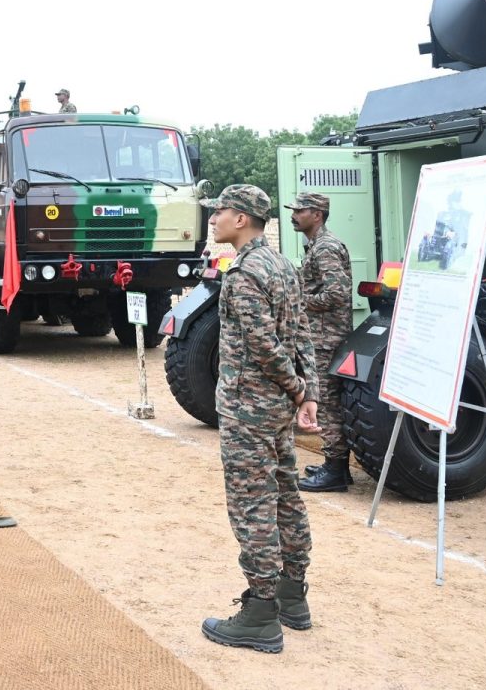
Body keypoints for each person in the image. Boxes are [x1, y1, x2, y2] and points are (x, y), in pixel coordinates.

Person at [198, 184, 319, 654]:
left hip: (250, 406)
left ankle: (261, 613)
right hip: (276, 409)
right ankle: (293, 594)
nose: (215, 219)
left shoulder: (245, 272)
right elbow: (302, 332)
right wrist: (305, 391)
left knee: (253, 504)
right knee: (286, 494)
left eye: (221, 212)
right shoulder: (283, 265)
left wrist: (294, 386)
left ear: (243, 218)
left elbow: (264, 345)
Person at [288, 193, 355, 494]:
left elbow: (337, 294)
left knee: (326, 403)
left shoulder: (325, 247)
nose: (294, 215)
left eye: (299, 211)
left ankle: (337, 470)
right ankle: (334, 465)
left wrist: (299, 301)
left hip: (327, 336)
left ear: (317, 215)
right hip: (320, 334)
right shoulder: (315, 245)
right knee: (324, 400)